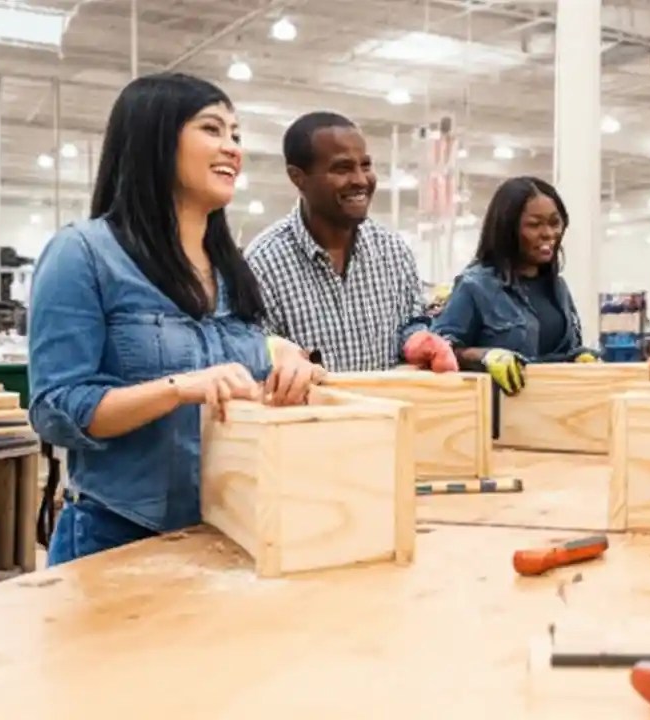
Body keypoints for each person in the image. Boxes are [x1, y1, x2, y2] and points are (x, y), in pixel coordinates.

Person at [29, 73, 324, 565]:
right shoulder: (84, 254)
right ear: (154, 139)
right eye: (212, 129)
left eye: (236, 134)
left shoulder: (232, 272)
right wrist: (177, 387)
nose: (232, 148)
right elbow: (56, 408)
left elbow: (241, 365)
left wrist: (292, 370)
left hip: (228, 531)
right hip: (117, 538)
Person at [245, 112, 456, 373]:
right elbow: (256, 359)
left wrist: (417, 340)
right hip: (313, 414)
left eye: (365, 165)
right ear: (297, 177)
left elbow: (410, 323)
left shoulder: (392, 251)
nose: (360, 180)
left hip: (390, 411)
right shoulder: (264, 265)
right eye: (342, 168)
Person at [431, 176, 598, 395]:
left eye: (554, 223)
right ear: (508, 230)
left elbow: (560, 351)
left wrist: (577, 356)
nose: (548, 233)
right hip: (498, 416)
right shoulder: (476, 286)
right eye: (534, 225)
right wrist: (484, 357)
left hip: (556, 412)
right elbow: (440, 350)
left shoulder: (558, 289)